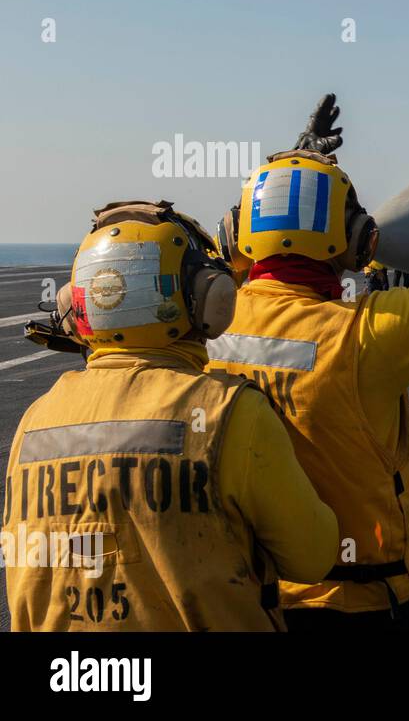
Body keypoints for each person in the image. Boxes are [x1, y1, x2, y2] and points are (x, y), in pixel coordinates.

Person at [209, 84, 409, 631]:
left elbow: (225, 259)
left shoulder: (203, 329)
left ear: (237, 232)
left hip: (244, 604)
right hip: (356, 607)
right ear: (359, 241)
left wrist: (293, 165)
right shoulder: (368, 335)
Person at [4, 202, 337, 631]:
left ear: (78, 305)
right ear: (210, 299)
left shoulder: (35, 420)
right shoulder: (231, 413)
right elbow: (313, 557)